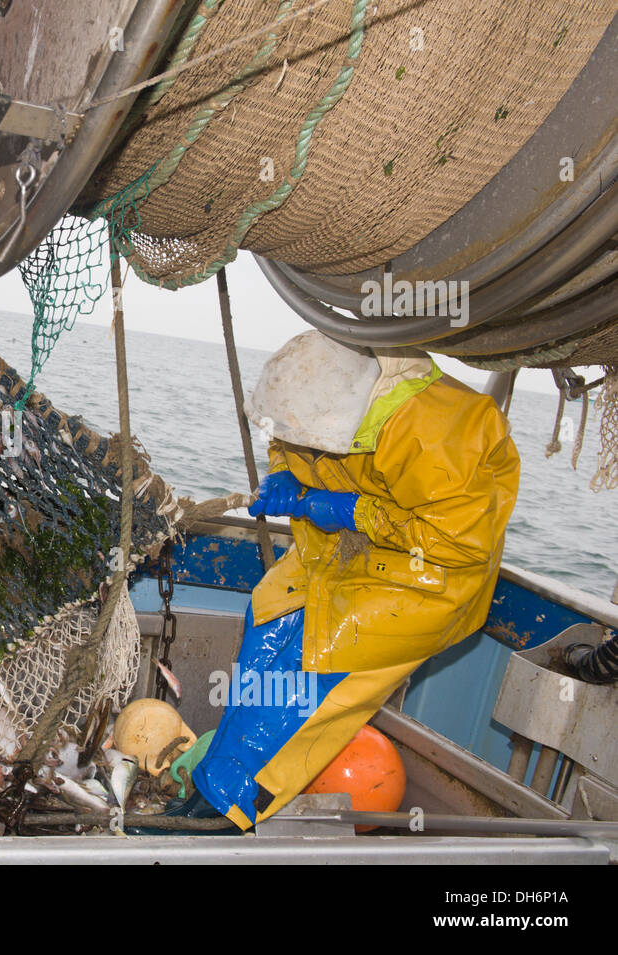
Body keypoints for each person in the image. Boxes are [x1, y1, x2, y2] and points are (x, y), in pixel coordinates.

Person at [181, 330, 520, 830]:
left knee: (304, 683)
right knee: (266, 618)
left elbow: (459, 544)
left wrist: (353, 510)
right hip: (337, 556)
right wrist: (285, 475)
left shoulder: (451, 431)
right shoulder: (326, 382)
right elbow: (287, 437)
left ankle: (225, 813)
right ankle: (219, 772)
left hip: (422, 580)